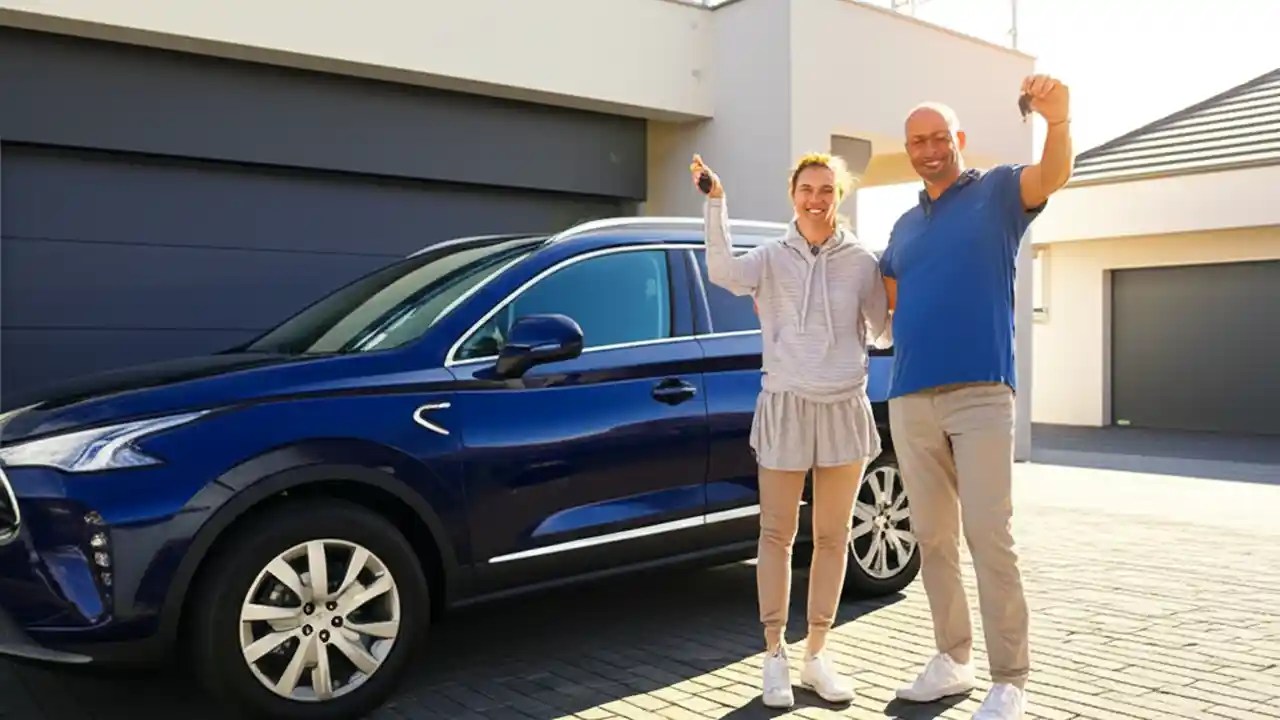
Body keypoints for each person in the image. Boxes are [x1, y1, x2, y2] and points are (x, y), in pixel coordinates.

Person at [878, 75, 1074, 719]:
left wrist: (1060, 120)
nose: (930, 149)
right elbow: (891, 308)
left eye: (940, 137)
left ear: (958, 139)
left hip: (982, 393)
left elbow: (1052, 175)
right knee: (931, 538)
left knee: (988, 533)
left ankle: (1009, 677)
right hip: (910, 398)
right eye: (917, 141)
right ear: (907, 148)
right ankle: (952, 659)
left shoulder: (995, 191)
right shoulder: (904, 226)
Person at [690, 151, 892, 709]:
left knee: (832, 538)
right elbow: (722, 272)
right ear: (793, 194)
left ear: (839, 196)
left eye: (827, 190)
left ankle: (817, 655)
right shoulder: (771, 258)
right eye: (807, 189)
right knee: (776, 537)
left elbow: (880, 329)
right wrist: (716, 204)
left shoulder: (861, 262)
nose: (816, 199)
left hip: (843, 406)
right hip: (785, 404)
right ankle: (774, 655)